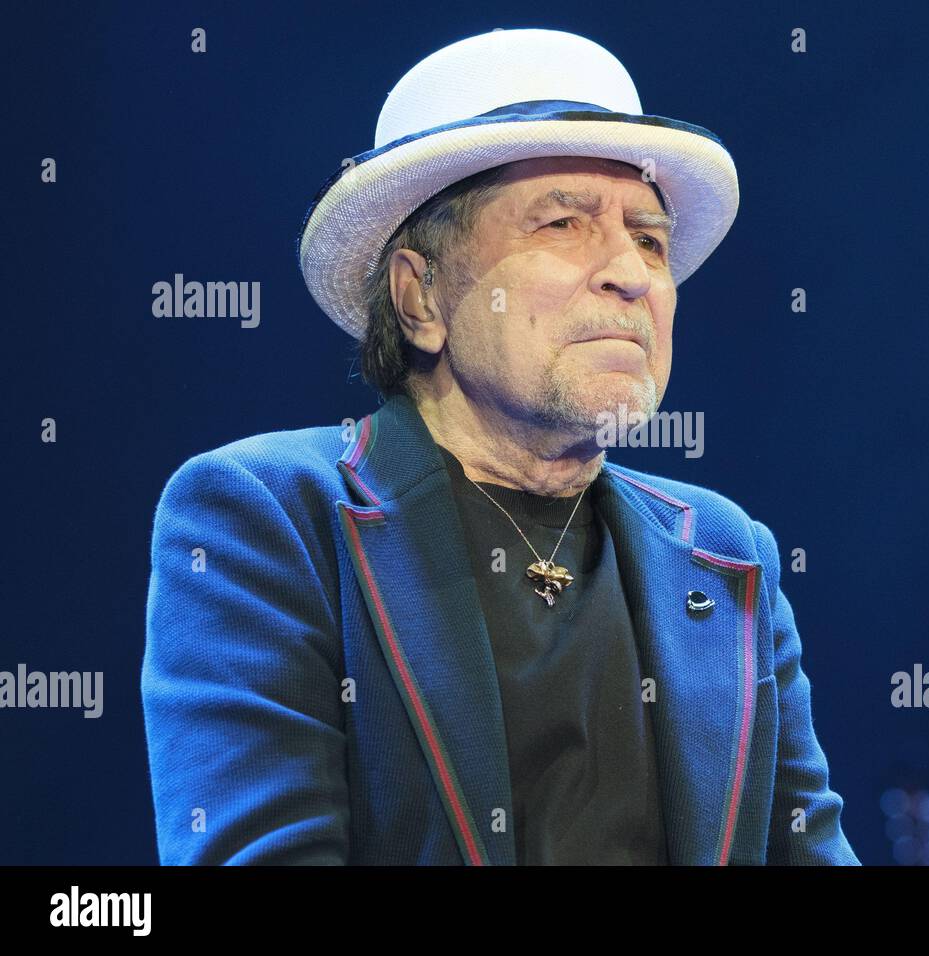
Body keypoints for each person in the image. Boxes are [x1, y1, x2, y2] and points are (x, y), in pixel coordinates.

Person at [141, 27, 859, 866]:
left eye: (651, 240)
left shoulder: (727, 551)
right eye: (562, 223)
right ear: (421, 298)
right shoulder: (266, 515)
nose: (630, 272)